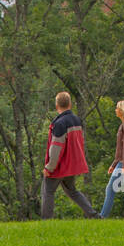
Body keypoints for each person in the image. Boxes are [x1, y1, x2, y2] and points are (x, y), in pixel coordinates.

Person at [41, 91, 97, 219]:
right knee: (73, 191)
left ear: (56, 106)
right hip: (72, 164)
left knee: (48, 191)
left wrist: (49, 167)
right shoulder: (77, 120)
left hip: (60, 165)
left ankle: (46, 221)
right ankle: (93, 215)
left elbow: (56, 149)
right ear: (70, 104)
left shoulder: (59, 124)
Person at [99, 99, 124, 218]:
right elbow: (120, 148)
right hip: (122, 162)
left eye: (117, 108)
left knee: (111, 189)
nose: (115, 110)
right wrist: (114, 163)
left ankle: (102, 217)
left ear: (122, 110)